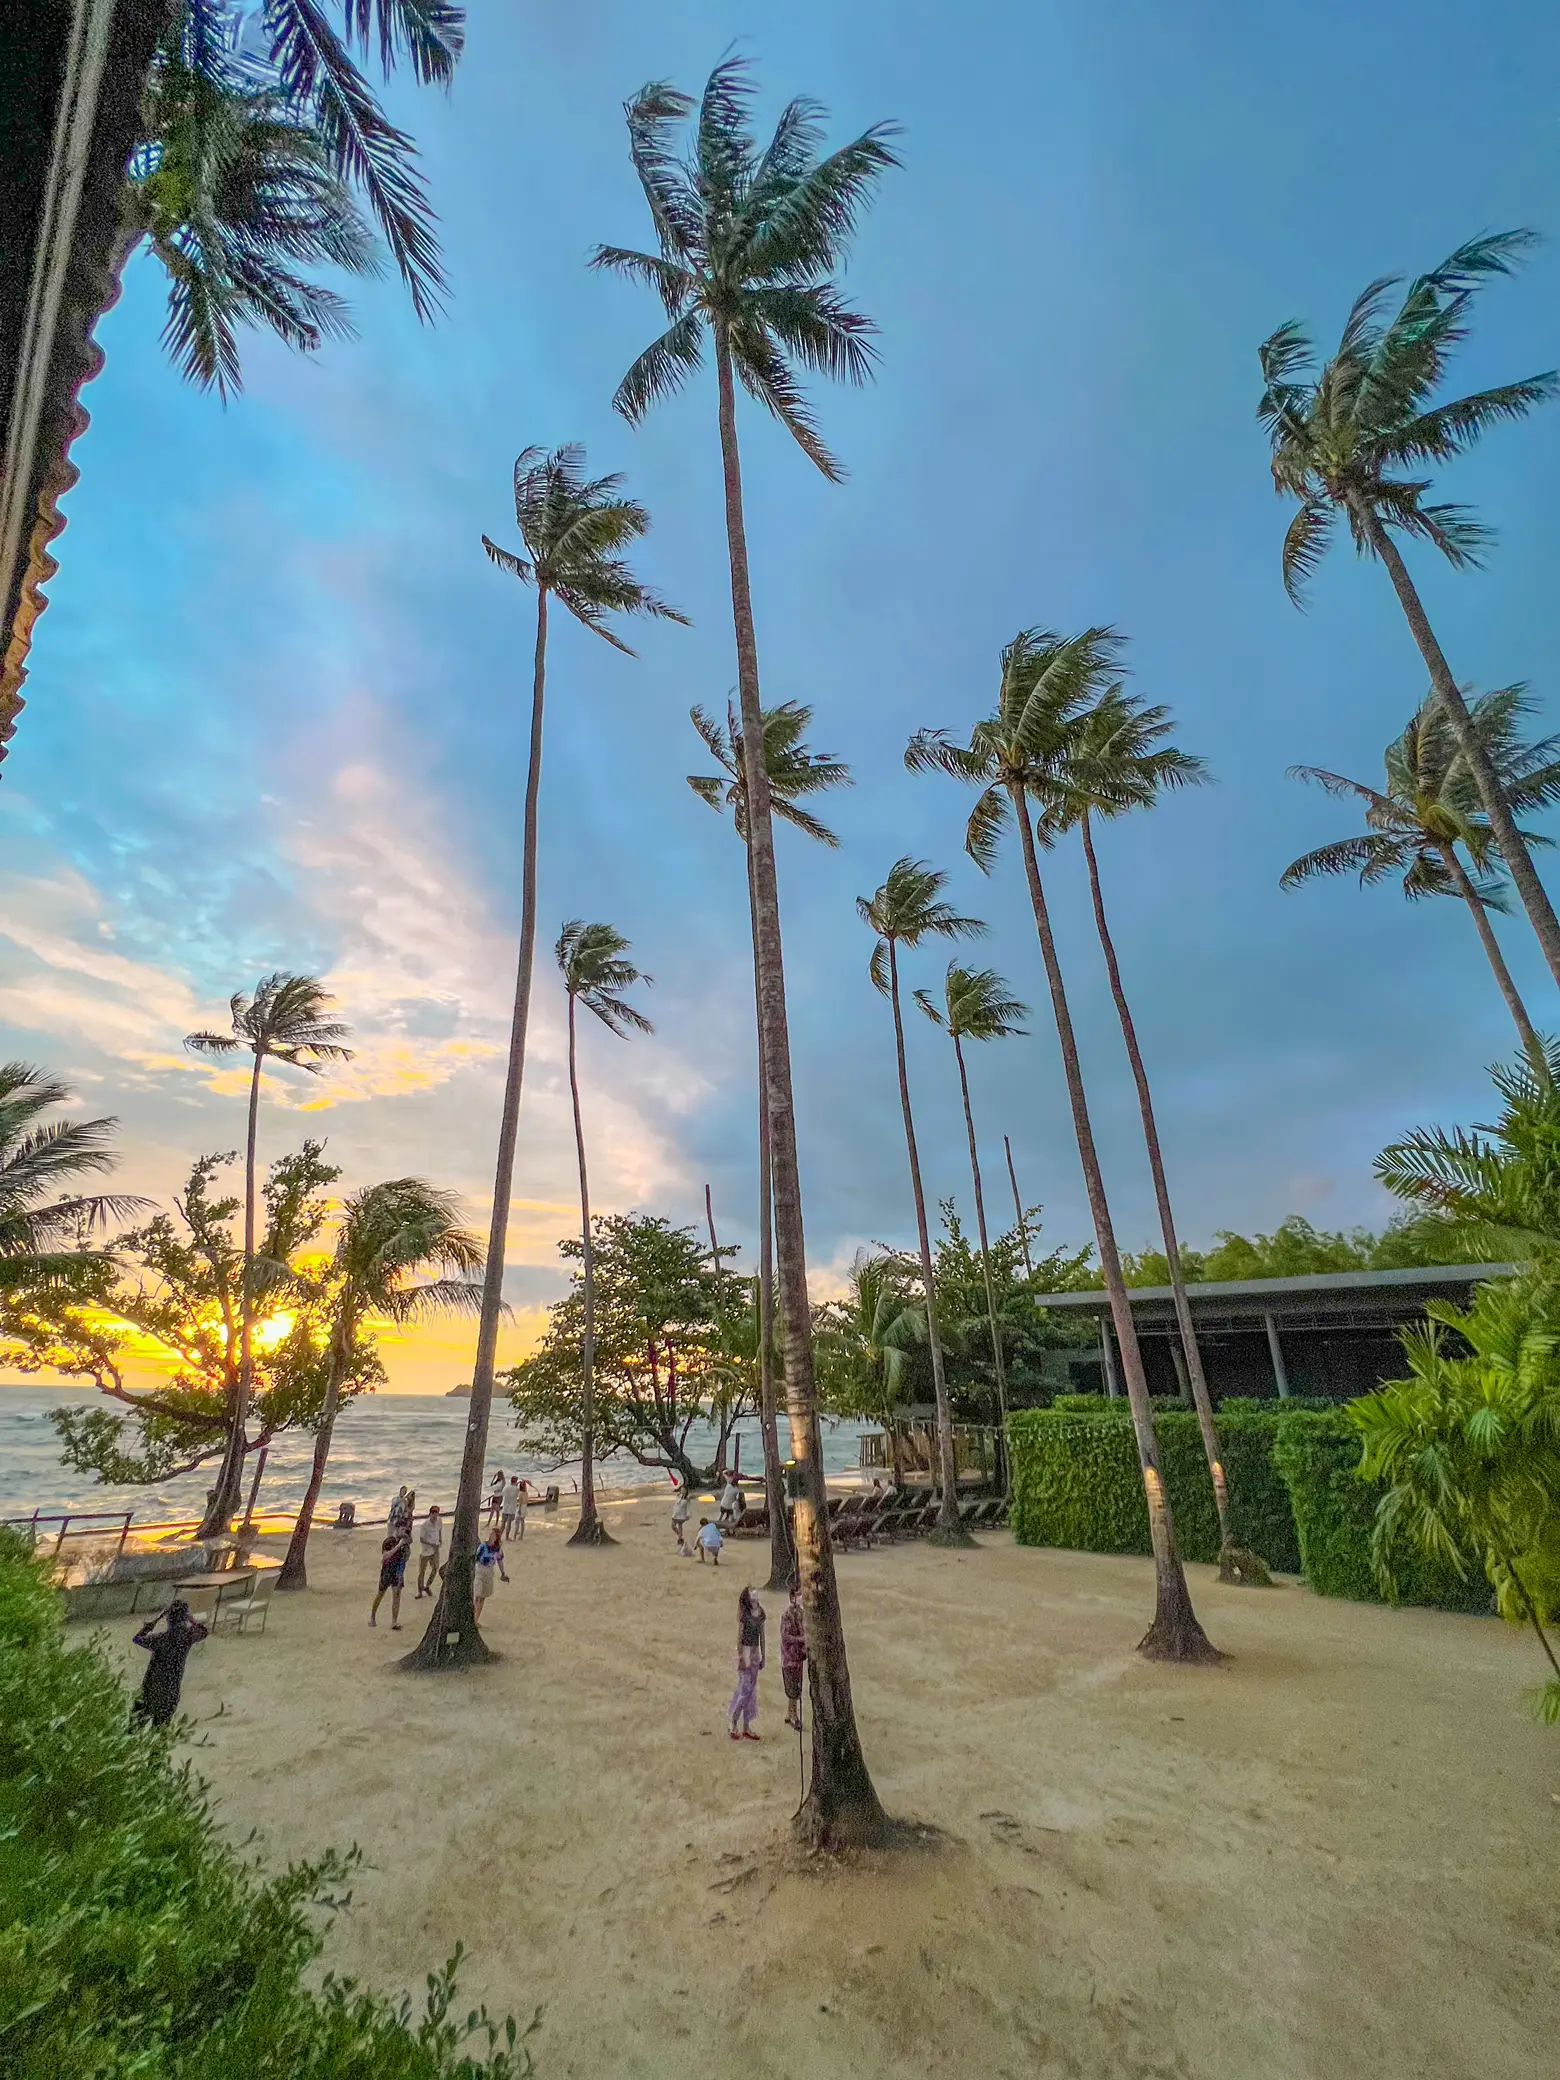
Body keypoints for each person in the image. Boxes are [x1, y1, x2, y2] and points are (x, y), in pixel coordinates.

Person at [130, 1599, 208, 1728]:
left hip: (150, 1691)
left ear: (168, 1620)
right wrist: (191, 1619)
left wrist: (149, 1626)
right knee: (160, 1735)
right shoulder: (186, 1639)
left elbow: (137, 1639)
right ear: (185, 1619)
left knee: (133, 1730)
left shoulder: (159, 1639)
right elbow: (203, 1632)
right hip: (170, 1693)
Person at [728, 1586, 766, 1741]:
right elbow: (740, 1637)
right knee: (745, 1689)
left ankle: (746, 1726)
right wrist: (741, 1657)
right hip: (746, 1651)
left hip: (755, 1651)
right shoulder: (745, 1615)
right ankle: (733, 1721)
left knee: (750, 1692)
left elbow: (762, 1636)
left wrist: (763, 1655)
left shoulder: (760, 1613)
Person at [370, 1519, 411, 1628]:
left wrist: (405, 1546)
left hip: (398, 1571)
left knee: (397, 1596)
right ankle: (372, 1616)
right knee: (380, 1594)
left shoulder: (405, 1544)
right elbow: (385, 1555)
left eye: (405, 1530)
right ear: (397, 1530)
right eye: (401, 1529)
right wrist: (398, 1546)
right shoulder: (389, 1541)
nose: (403, 1532)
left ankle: (394, 1621)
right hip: (387, 1571)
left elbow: (406, 1558)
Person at [780, 1576, 807, 1732]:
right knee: (792, 1687)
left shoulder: (801, 1614)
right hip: (790, 1657)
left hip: (798, 1657)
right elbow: (786, 1636)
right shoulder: (787, 1615)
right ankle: (793, 1715)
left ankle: (790, 1712)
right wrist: (801, 1639)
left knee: (796, 1686)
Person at [473, 1532, 503, 1620]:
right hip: (480, 1570)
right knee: (477, 1595)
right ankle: (473, 1617)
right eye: (491, 1534)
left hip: (489, 1572)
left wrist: (503, 1572)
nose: (491, 1536)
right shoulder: (482, 1546)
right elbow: (477, 1558)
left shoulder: (498, 1549)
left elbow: (500, 1561)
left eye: (494, 1535)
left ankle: (476, 1618)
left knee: (482, 1597)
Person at [416, 1503, 443, 1596]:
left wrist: (440, 1539)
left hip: (435, 1550)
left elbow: (439, 1530)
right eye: (434, 1514)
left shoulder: (439, 1520)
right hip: (425, 1551)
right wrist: (431, 1544)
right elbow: (421, 1539)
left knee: (435, 1569)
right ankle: (419, 1591)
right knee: (422, 1572)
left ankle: (427, 1586)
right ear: (430, 1514)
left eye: (437, 1514)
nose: (435, 1517)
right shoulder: (425, 1525)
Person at [502, 1475, 525, 1543]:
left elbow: (503, 1494)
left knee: (503, 1523)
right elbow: (520, 1495)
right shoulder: (516, 1489)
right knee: (509, 1523)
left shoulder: (506, 1487)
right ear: (516, 1481)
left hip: (505, 1507)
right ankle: (507, 1537)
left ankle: (499, 1536)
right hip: (512, 1508)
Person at [671, 1482, 691, 1554]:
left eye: (684, 1490)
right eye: (681, 1490)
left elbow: (688, 1507)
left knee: (679, 1525)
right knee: (673, 1525)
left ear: (686, 1491)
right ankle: (680, 1536)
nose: (682, 1491)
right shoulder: (678, 1496)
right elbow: (675, 1505)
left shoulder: (687, 1499)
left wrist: (688, 1515)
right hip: (676, 1513)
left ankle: (680, 1538)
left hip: (682, 1514)